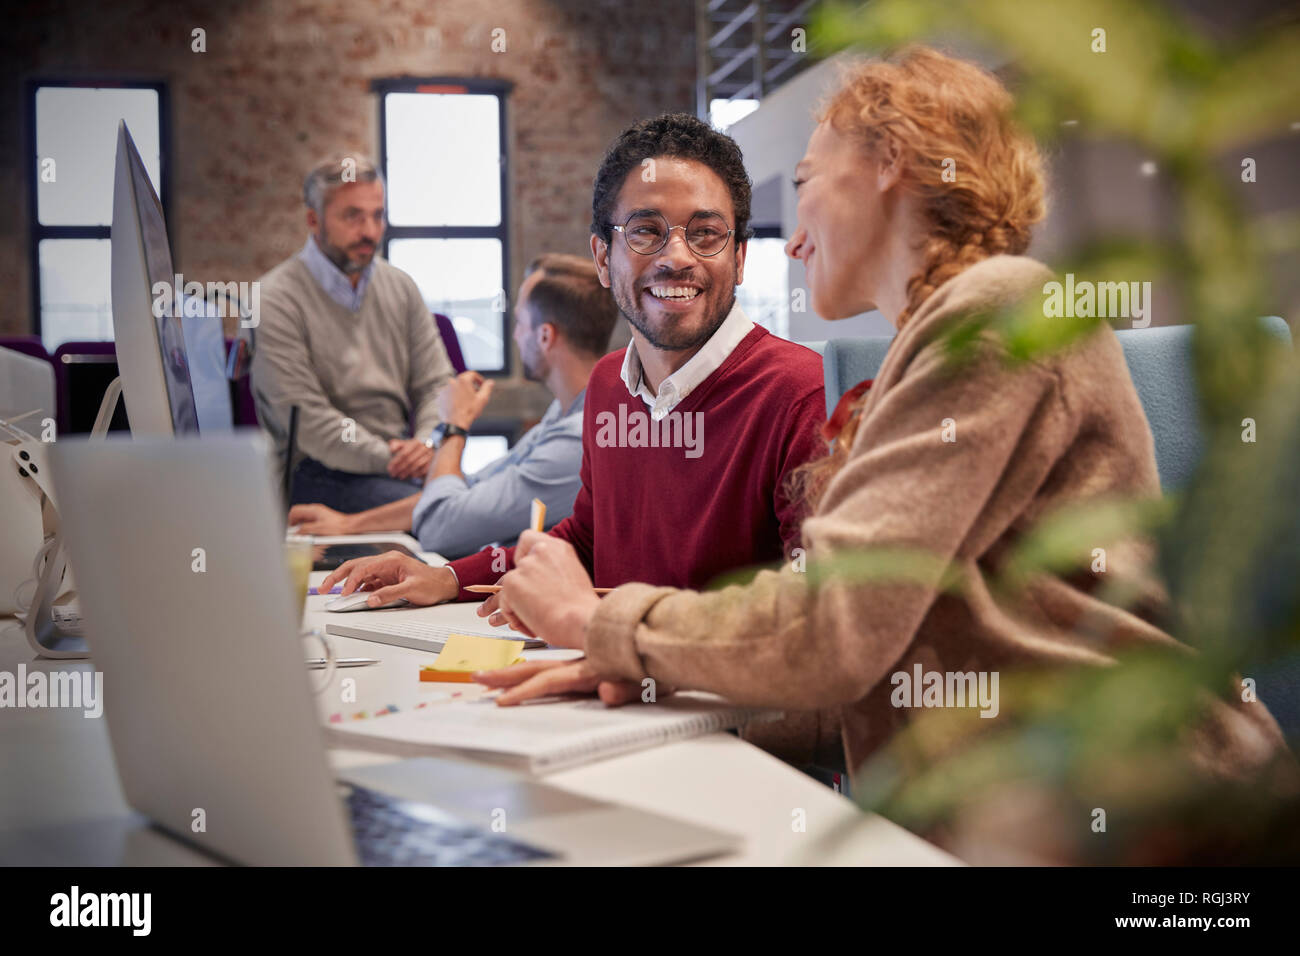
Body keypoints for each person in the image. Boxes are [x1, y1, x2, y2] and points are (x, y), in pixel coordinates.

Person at [468, 47, 1290, 809]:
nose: (791, 240)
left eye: (808, 179)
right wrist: (643, 678)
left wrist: (595, 626)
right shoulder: (932, 348)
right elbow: (875, 670)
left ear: (888, 163)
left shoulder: (997, 316)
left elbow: (834, 625)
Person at [320, 114, 828, 608]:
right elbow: (587, 538)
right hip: (604, 681)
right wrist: (451, 576)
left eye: (706, 233)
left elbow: (815, 608)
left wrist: (611, 641)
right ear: (604, 258)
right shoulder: (609, 384)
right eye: (645, 231)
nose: (677, 257)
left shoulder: (801, 394)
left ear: (739, 258)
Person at [287, 254, 619, 558]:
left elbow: (439, 528)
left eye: (519, 323)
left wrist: (454, 426)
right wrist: (349, 525)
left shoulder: (578, 440)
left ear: (545, 337)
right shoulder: (566, 411)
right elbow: (470, 489)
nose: (516, 336)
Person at [251, 155, 455, 511]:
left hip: (396, 467)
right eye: (352, 216)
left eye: (377, 216)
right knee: (444, 514)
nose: (370, 232)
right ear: (313, 220)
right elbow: (309, 423)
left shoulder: (401, 287)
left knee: (473, 507)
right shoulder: (273, 299)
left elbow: (437, 384)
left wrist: (426, 445)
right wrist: (396, 460)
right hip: (313, 472)